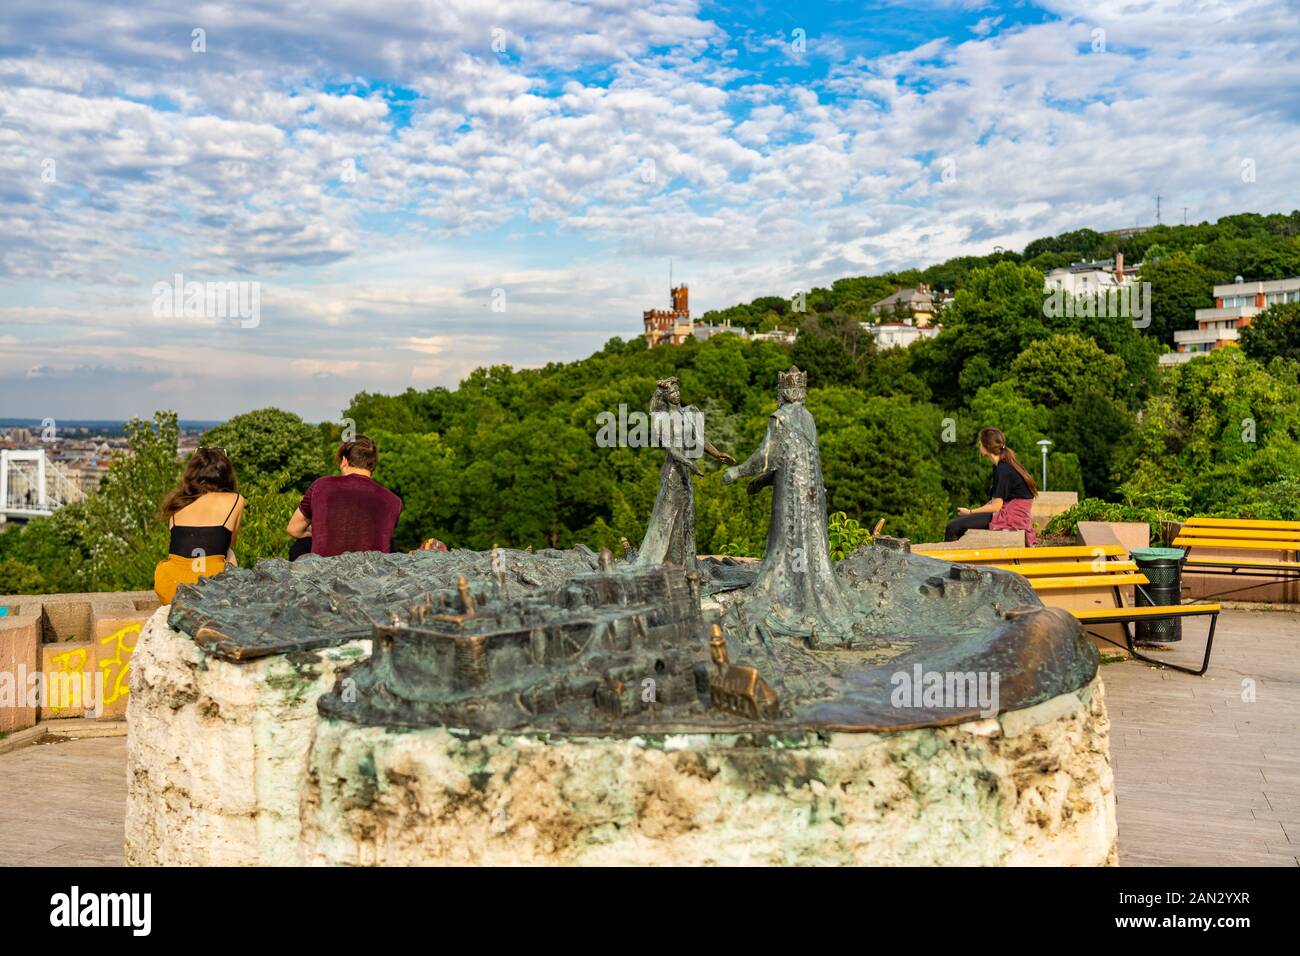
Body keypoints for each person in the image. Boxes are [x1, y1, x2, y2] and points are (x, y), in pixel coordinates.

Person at [154, 447, 245, 603]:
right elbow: (228, 544)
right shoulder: (236, 500)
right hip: (210, 588)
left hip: (171, 586)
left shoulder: (179, 502)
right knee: (230, 554)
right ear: (225, 472)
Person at [286, 436, 402, 557]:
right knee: (392, 544)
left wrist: (319, 532)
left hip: (325, 570)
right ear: (373, 466)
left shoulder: (321, 485)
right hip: (372, 572)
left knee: (300, 546)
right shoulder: (393, 501)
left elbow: (293, 529)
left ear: (344, 461)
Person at [944, 427, 1038, 544]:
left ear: (986, 446)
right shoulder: (1001, 466)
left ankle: (948, 563)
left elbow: (996, 506)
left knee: (952, 528)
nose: (979, 444)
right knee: (961, 524)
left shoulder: (1003, 469)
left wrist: (970, 512)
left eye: (980, 442)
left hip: (1011, 517)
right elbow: (995, 501)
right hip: (1008, 512)